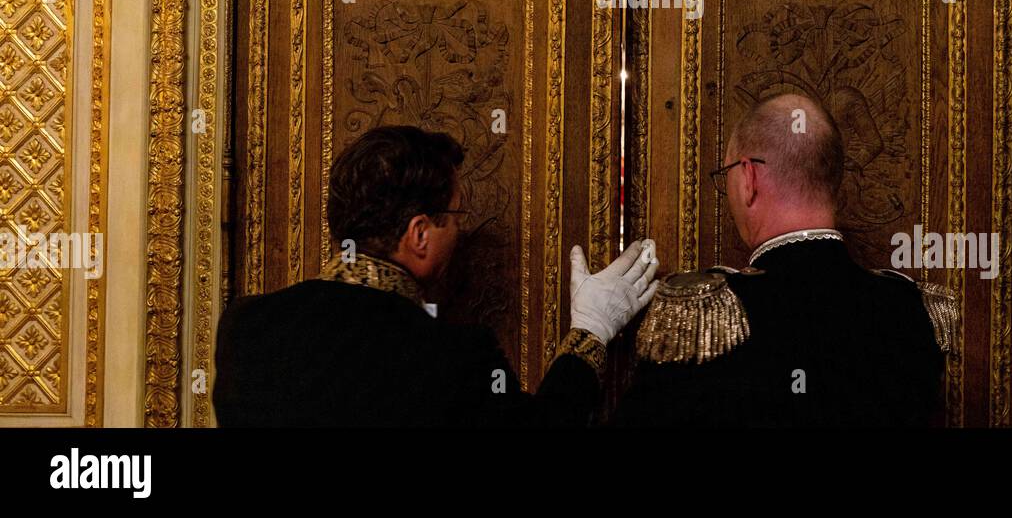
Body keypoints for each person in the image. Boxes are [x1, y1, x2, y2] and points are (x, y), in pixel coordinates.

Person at [214, 124, 658, 426]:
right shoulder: (452, 357)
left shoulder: (246, 328)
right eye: (454, 214)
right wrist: (590, 331)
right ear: (420, 234)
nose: (461, 227)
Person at [615, 93, 944, 427]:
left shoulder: (698, 315)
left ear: (748, 179)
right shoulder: (913, 311)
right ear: (832, 181)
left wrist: (586, 339)